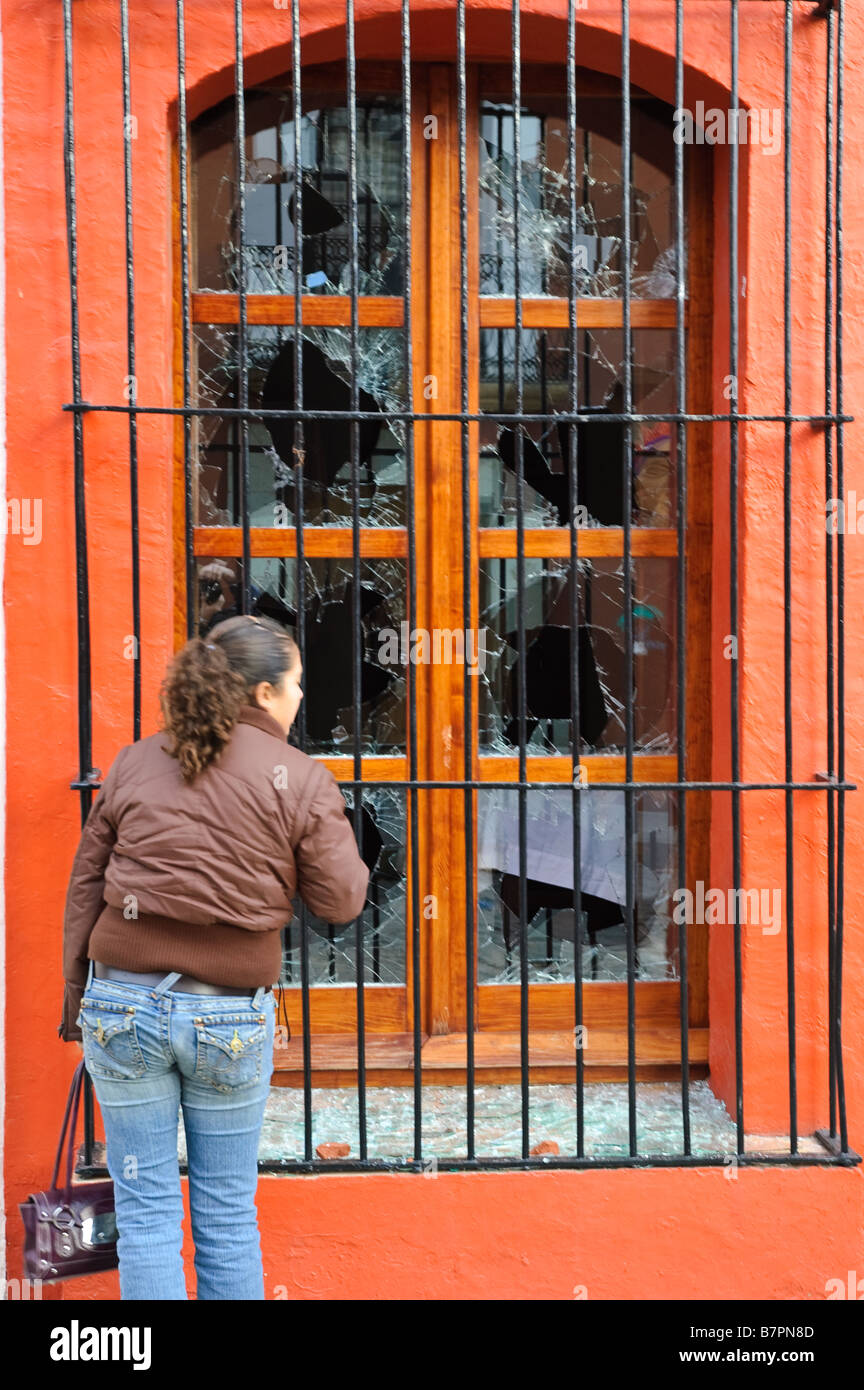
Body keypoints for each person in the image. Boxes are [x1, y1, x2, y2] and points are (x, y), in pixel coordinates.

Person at [58, 614, 369, 1300]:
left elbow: (86, 885)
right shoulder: (299, 775)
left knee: (144, 1215)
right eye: (293, 685)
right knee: (226, 1214)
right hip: (227, 1015)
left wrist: (76, 1001)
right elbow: (343, 901)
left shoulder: (137, 760)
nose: (298, 698)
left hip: (120, 1006)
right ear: (262, 693)